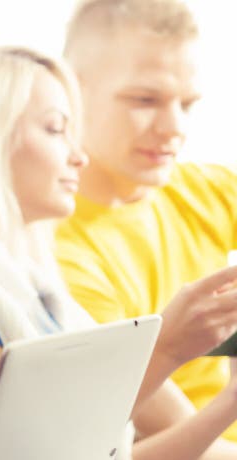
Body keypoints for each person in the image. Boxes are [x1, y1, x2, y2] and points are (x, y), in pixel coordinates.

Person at [0, 46, 237, 460]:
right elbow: (25, 454)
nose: (80, 156)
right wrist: (164, 349)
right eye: (56, 130)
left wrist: (229, 402)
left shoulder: (35, 289)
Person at [55, 0, 237, 446]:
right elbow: (187, 437)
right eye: (144, 99)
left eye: (187, 104)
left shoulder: (207, 188)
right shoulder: (63, 257)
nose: (173, 127)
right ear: (71, 94)